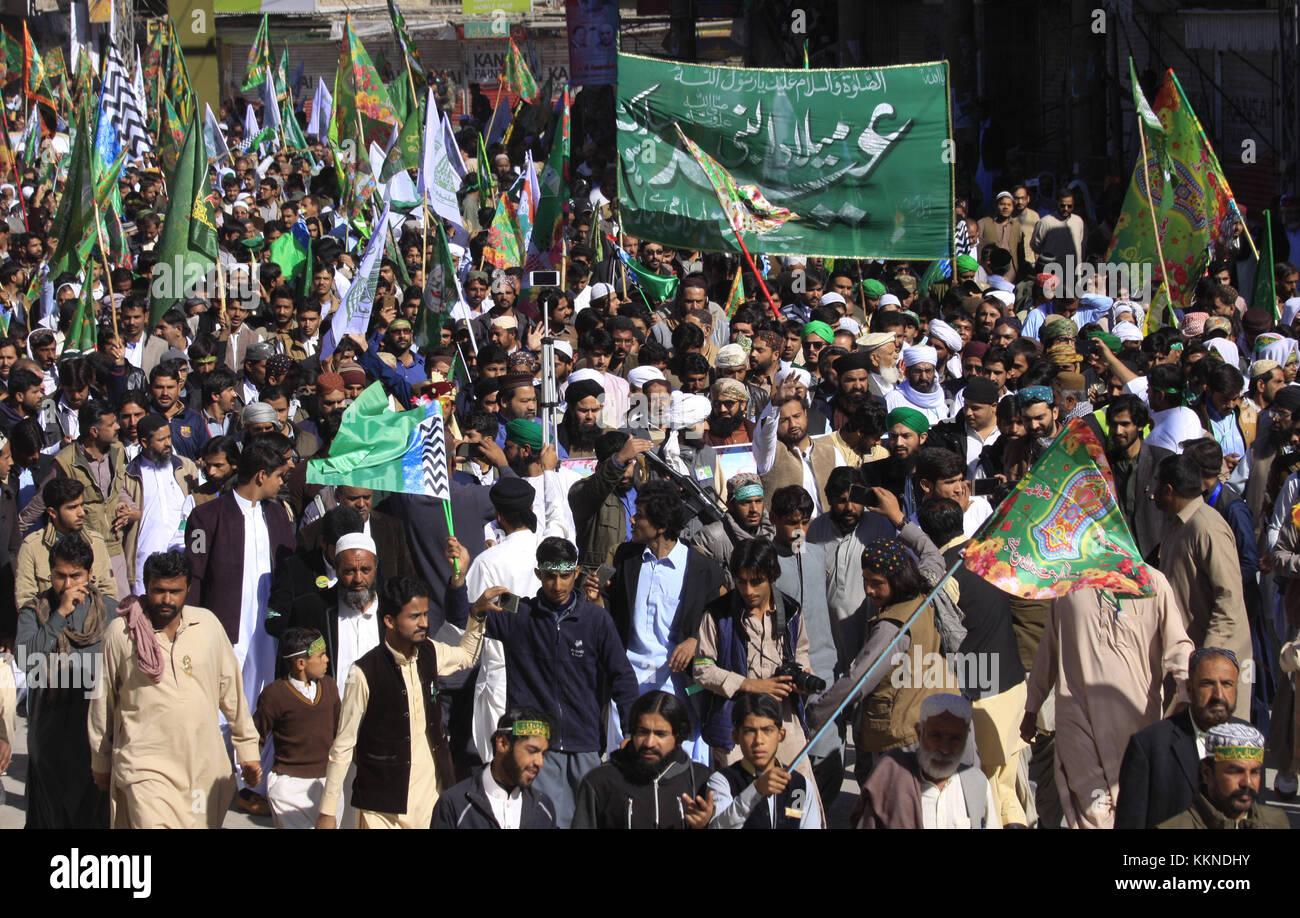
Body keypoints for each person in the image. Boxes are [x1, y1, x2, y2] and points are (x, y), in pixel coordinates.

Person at [444, 536, 640, 828]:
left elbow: (622, 677)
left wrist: (630, 730)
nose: (557, 585)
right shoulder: (518, 611)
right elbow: (461, 617)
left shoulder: (596, 620)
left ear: (576, 573)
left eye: (564, 576)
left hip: (584, 745)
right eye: (550, 576)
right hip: (534, 745)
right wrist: (459, 579)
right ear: (538, 574)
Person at [88, 550, 263, 828]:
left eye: (175, 591)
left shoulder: (207, 625)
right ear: (146, 587)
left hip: (201, 767)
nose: (167, 599)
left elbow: (231, 691)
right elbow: (102, 701)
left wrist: (248, 749)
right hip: (145, 768)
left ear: (188, 588)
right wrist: (100, 760)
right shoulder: (122, 633)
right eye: (159, 591)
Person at [1019, 566, 1193, 829]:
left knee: (1133, 808)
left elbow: (1178, 645)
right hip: (1076, 719)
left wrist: (1188, 693)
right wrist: (1032, 707)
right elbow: (1049, 650)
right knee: (1094, 810)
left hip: (1137, 723)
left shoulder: (1153, 583)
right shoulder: (1069, 585)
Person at [316, 576, 488, 829]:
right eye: (414, 617)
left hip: (431, 797)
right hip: (381, 807)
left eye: (426, 615)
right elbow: (343, 745)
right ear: (390, 621)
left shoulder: (430, 652)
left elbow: (466, 657)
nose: (424, 624)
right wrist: (327, 811)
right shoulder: (363, 673)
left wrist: (477, 616)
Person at [918, 497, 1029, 826]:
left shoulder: (946, 576)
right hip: (1014, 687)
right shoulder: (990, 556)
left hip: (984, 699)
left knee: (990, 796)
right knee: (1007, 789)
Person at [15, 534, 114, 828]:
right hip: (51, 735)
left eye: (76, 576)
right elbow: (27, 660)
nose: (68, 585)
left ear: (90, 575)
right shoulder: (35, 613)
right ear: (50, 574)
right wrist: (59, 615)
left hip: (94, 737)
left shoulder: (110, 612)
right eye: (60, 576)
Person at [1154, 453, 1253, 719]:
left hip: (1213, 667)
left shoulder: (1206, 527)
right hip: (1186, 659)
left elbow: (1229, 598)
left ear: (1168, 489)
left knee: (1221, 750)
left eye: (1155, 486)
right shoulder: (1176, 525)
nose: (1151, 494)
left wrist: (1206, 660)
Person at [1116, 647, 1250, 829]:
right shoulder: (1149, 746)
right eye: (1207, 684)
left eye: (1226, 684)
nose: (1218, 695)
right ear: (1189, 688)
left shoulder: (1249, 738)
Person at [571, 690, 715, 829]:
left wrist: (704, 825)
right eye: (642, 732)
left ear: (679, 737)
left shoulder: (701, 781)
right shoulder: (600, 782)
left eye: (660, 734)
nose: (649, 742)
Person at [856, 693, 1001, 829]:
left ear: (966, 739)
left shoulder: (976, 783)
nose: (944, 749)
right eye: (936, 736)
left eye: (955, 738)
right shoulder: (890, 779)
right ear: (919, 733)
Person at [252, 627, 341, 829]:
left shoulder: (329, 687)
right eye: (322, 655)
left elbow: (340, 732)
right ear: (301, 663)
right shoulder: (274, 694)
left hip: (326, 785)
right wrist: (251, 764)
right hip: (288, 788)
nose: (327, 660)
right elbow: (255, 734)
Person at [707, 692, 822, 829]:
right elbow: (718, 826)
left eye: (767, 730)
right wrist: (756, 791)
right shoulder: (722, 781)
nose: (759, 741)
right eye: (750, 731)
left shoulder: (800, 785)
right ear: (736, 736)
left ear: (781, 734)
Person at [431, 709, 557, 829]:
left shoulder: (543, 808)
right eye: (531, 751)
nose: (539, 762)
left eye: (543, 754)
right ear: (502, 743)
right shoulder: (454, 804)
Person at [1157, 722, 1289, 829]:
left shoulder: (1276, 822)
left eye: (1255, 772)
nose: (1247, 782)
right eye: (1236, 771)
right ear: (1207, 773)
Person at [14, 477, 117, 609]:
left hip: (92, 625)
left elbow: (109, 592)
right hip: (51, 625)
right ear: (52, 512)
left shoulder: (96, 543)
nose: (81, 513)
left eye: (82, 505)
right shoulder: (32, 547)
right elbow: (25, 601)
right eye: (72, 507)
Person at [690, 472, 775, 583]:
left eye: (758, 501)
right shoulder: (712, 538)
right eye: (746, 503)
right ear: (730, 505)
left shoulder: (773, 532)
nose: (754, 509)